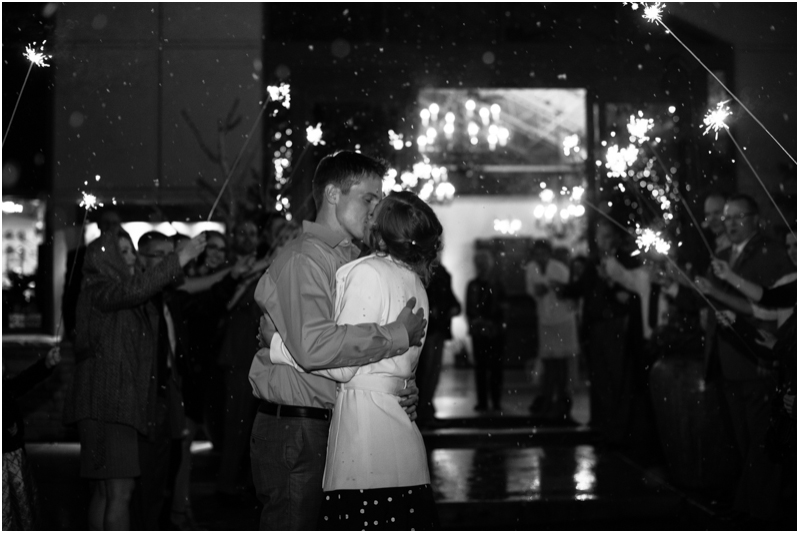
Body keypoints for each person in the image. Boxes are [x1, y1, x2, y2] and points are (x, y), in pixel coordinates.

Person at [249, 151, 427, 531]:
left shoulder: (355, 261)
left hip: (329, 423)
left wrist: (399, 385)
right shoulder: (304, 259)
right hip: (297, 427)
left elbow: (345, 355)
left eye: (380, 200)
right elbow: (316, 348)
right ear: (332, 194)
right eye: (368, 198)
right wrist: (395, 335)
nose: (376, 210)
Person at [63, 228, 205, 531]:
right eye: (123, 251)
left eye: (132, 250)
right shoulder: (99, 287)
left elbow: (143, 291)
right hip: (109, 405)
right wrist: (179, 257)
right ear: (105, 257)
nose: (132, 258)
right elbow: (135, 290)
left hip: (109, 405)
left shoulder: (117, 290)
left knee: (106, 492)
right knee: (119, 493)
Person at [696, 194, 794, 523]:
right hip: (738, 356)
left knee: (764, 443)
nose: (729, 223)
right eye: (726, 218)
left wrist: (724, 287)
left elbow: (768, 306)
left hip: (766, 366)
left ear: (755, 218)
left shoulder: (771, 254)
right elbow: (767, 300)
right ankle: (749, 505)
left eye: (738, 217)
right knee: (743, 439)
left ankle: (765, 513)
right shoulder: (723, 256)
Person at [3, 346, 61, 530]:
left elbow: (22, 382)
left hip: (13, 460)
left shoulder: (5, 387)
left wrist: (45, 364)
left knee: (21, 512)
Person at [525, 239, 579, 419]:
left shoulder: (559, 268)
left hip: (562, 318)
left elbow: (570, 292)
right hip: (546, 318)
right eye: (537, 253)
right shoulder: (531, 268)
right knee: (548, 360)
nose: (540, 257)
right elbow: (531, 291)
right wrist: (538, 290)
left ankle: (562, 401)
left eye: (543, 253)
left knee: (562, 361)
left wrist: (556, 288)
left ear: (549, 253)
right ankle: (548, 399)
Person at [62, 208, 121, 341]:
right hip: (88, 322)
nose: (110, 227)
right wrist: (71, 326)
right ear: (99, 225)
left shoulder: (124, 254)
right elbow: (71, 292)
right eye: (107, 223)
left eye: (114, 223)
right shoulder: (81, 255)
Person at [416, 258, 460, 426]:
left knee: (432, 371)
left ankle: (426, 407)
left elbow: (447, 296)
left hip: (437, 326)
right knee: (426, 370)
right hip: (431, 327)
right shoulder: (428, 271)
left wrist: (447, 308)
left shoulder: (439, 272)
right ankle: (423, 409)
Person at [466, 248, 506, 412]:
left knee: (495, 367)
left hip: (495, 330)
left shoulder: (497, 284)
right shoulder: (473, 285)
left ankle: (496, 400)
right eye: (479, 263)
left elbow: (504, 307)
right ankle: (483, 401)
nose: (481, 266)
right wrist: (478, 321)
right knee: (481, 367)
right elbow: (469, 307)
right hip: (479, 330)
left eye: (484, 263)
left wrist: (492, 322)